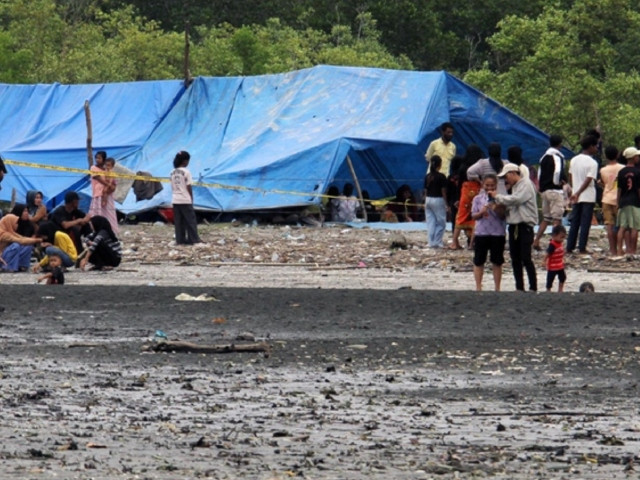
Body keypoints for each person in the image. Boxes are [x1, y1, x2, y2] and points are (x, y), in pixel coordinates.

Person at [490, 163, 538, 291]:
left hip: (524, 225)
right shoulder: (515, 187)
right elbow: (512, 205)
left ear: (512, 173)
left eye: (506, 177)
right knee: (515, 258)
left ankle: (533, 286)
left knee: (526, 257)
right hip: (513, 225)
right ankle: (519, 287)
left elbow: (516, 200)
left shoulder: (526, 184)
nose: (506, 180)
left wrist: (498, 197)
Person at [471, 174, 506, 291]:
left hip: (498, 233)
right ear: (482, 185)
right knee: (479, 260)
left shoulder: (501, 198)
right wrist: (482, 212)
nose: (489, 188)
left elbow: (503, 216)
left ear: (496, 186)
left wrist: (495, 207)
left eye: (492, 185)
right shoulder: (477, 199)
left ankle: (497, 287)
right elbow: (473, 216)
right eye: (487, 185)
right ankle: (478, 286)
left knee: (497, 261)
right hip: (481, 232)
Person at [533, 135, 567, 251]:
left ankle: (536, 240)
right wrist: (557, 182)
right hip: (555, 190)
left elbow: (539, 173)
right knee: (557, 218)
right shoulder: (557, 156)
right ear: (560, 144)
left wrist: (541, 187)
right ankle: (555, 245)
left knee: (546, 218)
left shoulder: (543, 157)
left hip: (545, 190)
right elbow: (557, 171)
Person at [567, 135, 599, 254]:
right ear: (590, 146)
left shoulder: (574, 159)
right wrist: (579, 191)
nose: (596, 148)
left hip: (576, 194)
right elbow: (589, 179)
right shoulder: (593, 162)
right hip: (588, 195)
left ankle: (570, 246)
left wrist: (574, 191)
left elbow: (570, 176)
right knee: (585, 222)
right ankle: (582, 247)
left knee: (575, 221)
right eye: (595, 146)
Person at [449, 145, 483, 249]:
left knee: (460, 216)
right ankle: (472, 243)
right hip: (476, 192)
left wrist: (458, 198)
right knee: (475, 216)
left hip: (465, 193)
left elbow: (459, 184)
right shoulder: (479, 167)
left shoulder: (462, 167)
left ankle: (454, 242)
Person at [170, 150, 203, 245]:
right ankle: (194, 239)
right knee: (190, 221)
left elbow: (172, 186)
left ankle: (180, 240)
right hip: (185, 199)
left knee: (179, 222)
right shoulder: (186, 172)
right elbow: (188, 186)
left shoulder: (172, 172)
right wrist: (191, 199)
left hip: (175, 199)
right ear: (185, 161)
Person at [599, 146, 624, 255]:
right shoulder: (623, 168)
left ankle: (612, 249)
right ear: (618, 155)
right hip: (620, 199)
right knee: (621, 226)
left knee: (609, 225)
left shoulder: (603, 170)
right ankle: (620, 249)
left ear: (606, 156)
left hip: (606, 198)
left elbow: (604, 183)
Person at [616, 147, 640, 255]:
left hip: (623, 201)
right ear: (633, 157)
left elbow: (619, 189)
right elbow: (639, 189)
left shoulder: (621, 172)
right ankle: (632, 250)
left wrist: (617, 202)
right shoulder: (638, 172)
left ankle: (620, 249)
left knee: (622, 227)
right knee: (634, 227)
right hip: (634, 201)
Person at [424, 155, 449, 248]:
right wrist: (446, 203)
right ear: (440, 165)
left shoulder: (427, 176)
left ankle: (431, 242)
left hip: (428, 199)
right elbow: (443, 191)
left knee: (430, 221)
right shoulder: (441, 177)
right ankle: (437, 241)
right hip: (438, 199)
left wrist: (425, 201)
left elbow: (425, 190)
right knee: (441, 222)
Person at [544, 224, 567, 292]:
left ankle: (560, 289)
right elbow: (548, 253)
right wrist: (544, 261)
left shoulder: (559, 243)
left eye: (563, 237)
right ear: (554, 235)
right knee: (550, 279)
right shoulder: (552, 245)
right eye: (561, 237)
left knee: (563, 277)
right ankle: (548, 289)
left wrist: (563, 259)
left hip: (559, 265)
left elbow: (561, 253)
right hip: (553, 266)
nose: (562, 239)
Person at [88, 151, 110, 219]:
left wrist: (109, 186)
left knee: (106, 211)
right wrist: (109, 185)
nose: (97, 160)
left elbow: (109, 178)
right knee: (96, 211)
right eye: (96, 158)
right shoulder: (93, 168)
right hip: (98, 193)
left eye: (99, 158)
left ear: (104, 159)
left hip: (106, 192)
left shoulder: (106, 169)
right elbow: (98, 178)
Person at [101, 157, 119, 234]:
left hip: (109, 191)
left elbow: (113, 182)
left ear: (112, 166)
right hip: (103, 190)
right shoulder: (103, 172)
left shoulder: (112, 173)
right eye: (106, 165)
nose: (107, 167)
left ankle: (111, 227)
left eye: (109, 165)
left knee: (109, 210)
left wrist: (109, 187)